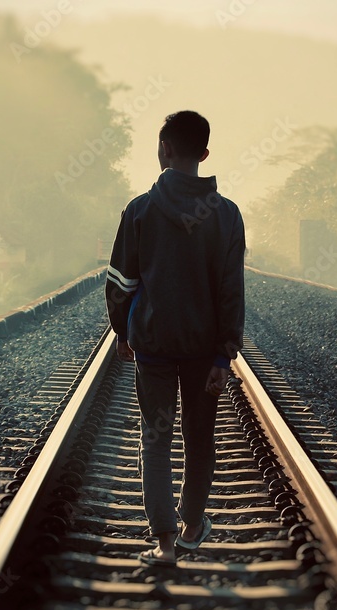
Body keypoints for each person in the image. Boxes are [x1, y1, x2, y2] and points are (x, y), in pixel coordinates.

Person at [105, 110, 246, 566]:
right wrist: (225, 356)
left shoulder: (141, 210)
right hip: (204, 351)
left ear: (164, 150)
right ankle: (191, 526)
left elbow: (121, 281)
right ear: (204, 154)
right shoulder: (226, 215)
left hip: (154, 347)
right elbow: (231, 292)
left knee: (156, 437)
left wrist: (122, 329)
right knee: (199, 438)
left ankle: (164, 544)